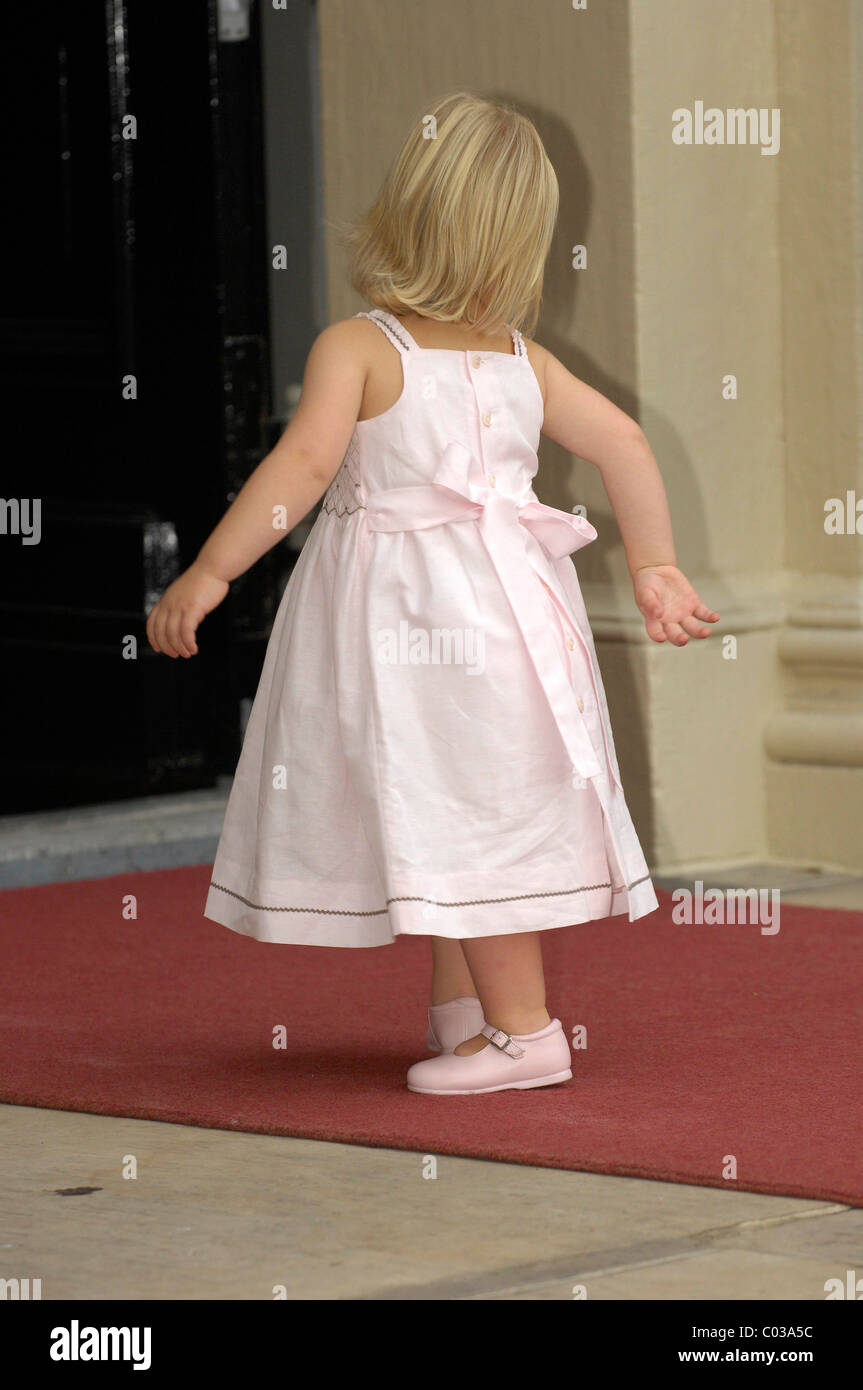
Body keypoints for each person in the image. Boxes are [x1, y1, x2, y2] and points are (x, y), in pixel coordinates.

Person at [146, 91, 719, 1097]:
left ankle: (525, 1032)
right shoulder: (518, 357)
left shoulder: (358, 347)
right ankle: (466, 1015)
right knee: (468, 805)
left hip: (414, 618)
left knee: (455, 808)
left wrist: (212, 568)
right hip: (509, 614)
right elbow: (622, 441)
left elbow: (301, 469)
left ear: (404, 210)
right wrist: (653, 565)